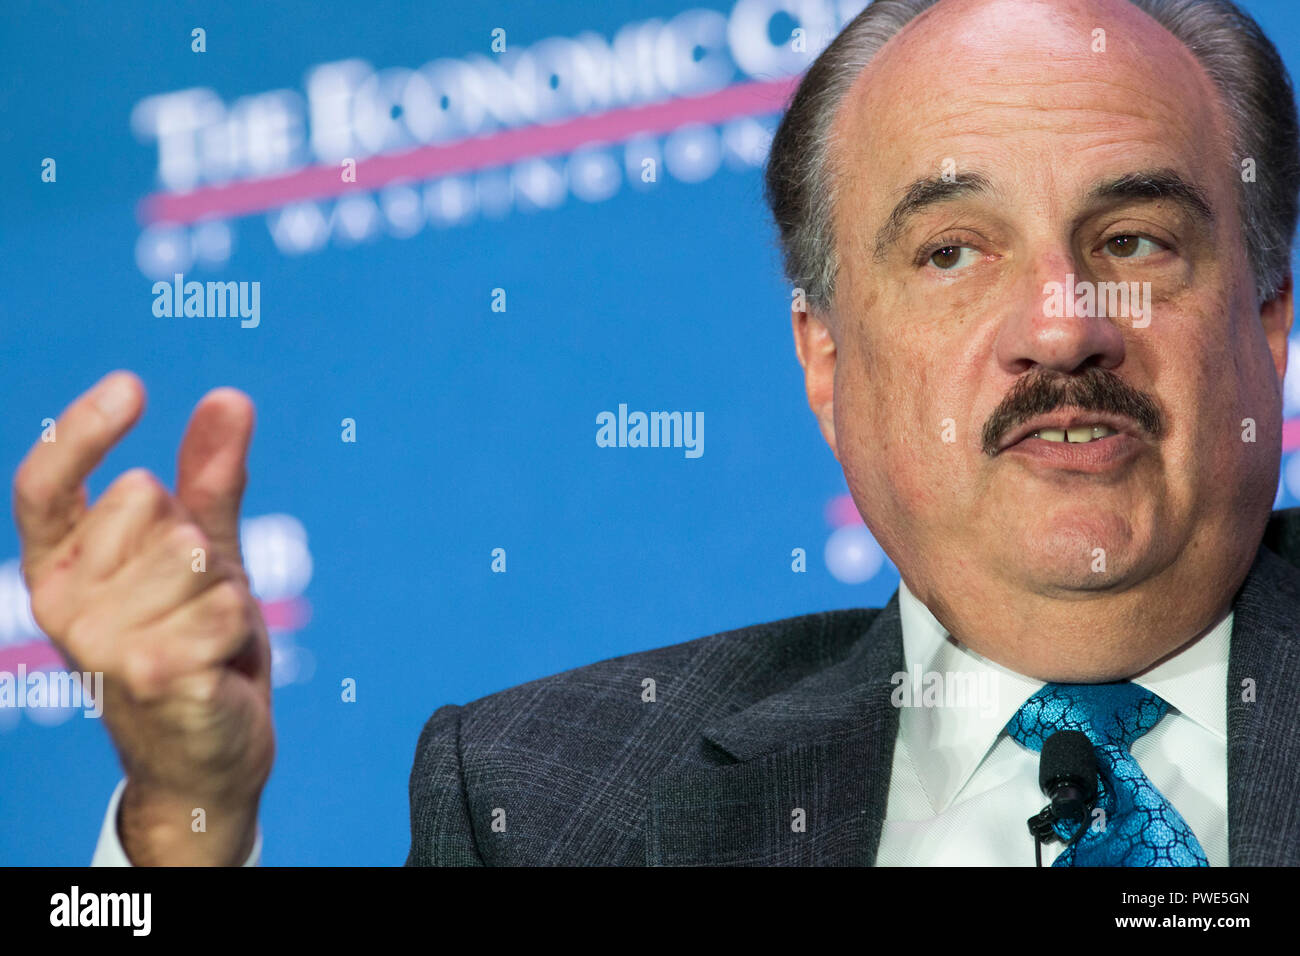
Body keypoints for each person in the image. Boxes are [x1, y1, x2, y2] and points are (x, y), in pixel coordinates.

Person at [15, 0, 1299, 866]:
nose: (1062, 325)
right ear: (825, 361)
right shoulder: (542, 800)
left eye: (1133, 241)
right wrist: (184, 826)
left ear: (1269, 327)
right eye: (952, 251)